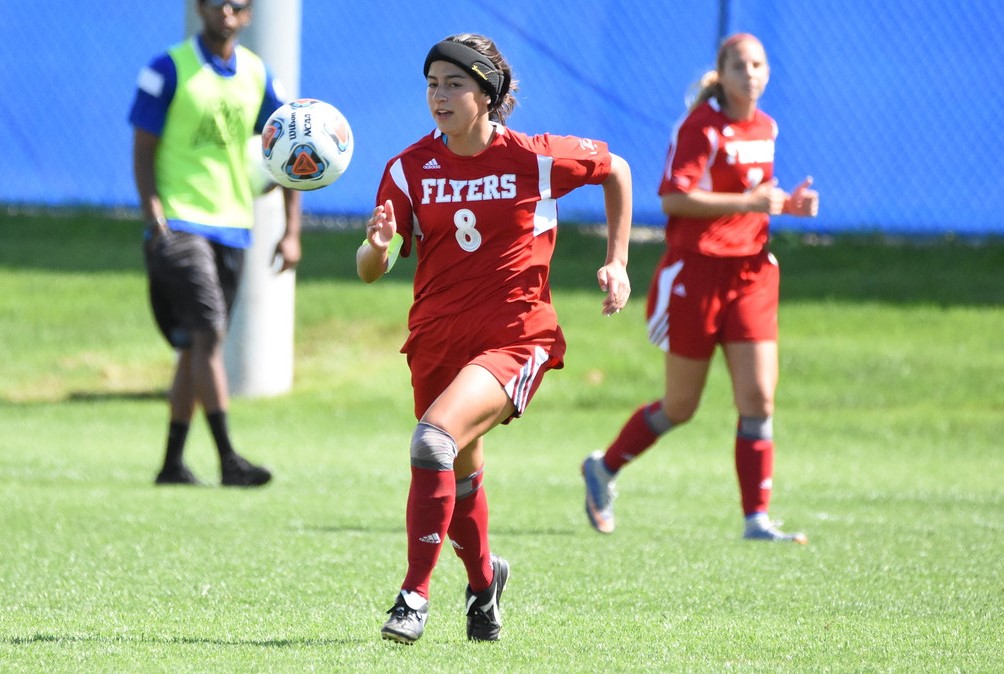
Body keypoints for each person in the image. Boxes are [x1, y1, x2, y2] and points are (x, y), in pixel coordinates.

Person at [357, 33, 632, 644]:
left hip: (515, 338)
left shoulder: (534, 157)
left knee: (432, 443)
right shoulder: (408, 168)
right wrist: (375, 248)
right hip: (436, 340)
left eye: (455, 84)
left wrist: (618, 261)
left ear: (490, 93)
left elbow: (617, 169)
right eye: (432, 84)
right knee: (457, 473)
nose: (440, 96)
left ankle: (413, 597)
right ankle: (485, 587)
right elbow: (371, 268)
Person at [581, 33, 819, 543]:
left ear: (768, 72)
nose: (749, 73)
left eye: (757, 63)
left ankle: (756, 520)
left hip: (752, 273)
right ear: (722, 73)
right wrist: (749, 201)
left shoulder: (767, 127)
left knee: (759, 398)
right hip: (696, 273)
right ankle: (603, 468)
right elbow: (673, 198)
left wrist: (785, 206)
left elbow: (756, 200)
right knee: (680, 406)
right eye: (738, 65)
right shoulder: (700, 126)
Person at [128, 0, 302, 487]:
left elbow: (288, 148)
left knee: (193, 345)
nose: (226, 10)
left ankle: (172, 464)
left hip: (234, 225)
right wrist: (155, 218)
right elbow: (143, 149)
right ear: (199, 9)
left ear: (247, 16)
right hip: (181, 224)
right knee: (208, 335)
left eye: (238, 5)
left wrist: (291, 230)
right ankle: (229, 458)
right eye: (216, 2)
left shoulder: (257, 75)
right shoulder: (168, 68)